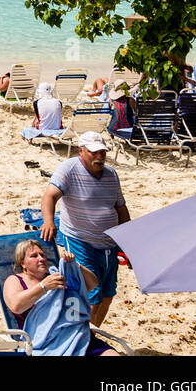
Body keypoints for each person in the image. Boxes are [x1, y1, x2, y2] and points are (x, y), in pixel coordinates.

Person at [41, 132, 131, 327]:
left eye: (102, 152)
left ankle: (93, 336)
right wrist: (49, 221)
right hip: (79, 241)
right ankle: (81, 339)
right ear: (81, 151)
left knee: (107, 296)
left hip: (109, 245)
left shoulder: (111, 174)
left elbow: (121, 208)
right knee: (91, 297)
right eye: (94, 153)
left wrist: (128, 244)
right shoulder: (68, 169)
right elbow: (50, 196)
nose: (99, 157)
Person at [3, 240, 118, 356]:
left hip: (75, 336)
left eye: (42, 255)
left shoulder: (57, 276)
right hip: (43, 343)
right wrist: (43, 287)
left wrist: (75, 265)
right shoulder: (15, 280)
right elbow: (16, 306)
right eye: (34, 256)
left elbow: (93, 284)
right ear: (22, 263)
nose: (41, 258)